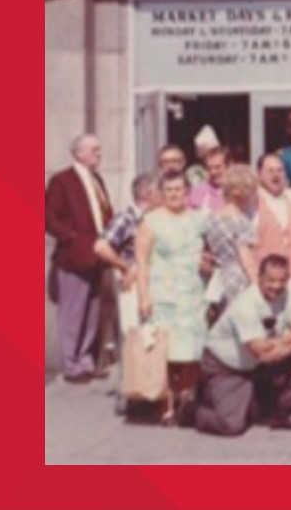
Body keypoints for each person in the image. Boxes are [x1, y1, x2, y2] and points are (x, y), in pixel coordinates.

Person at [194, 255, 291, 435]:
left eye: (281, 280)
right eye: (271, 280)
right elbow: (262, 353)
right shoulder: (245, 304)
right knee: (232, 426)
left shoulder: (290, 293)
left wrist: (279, 342)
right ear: (259, 278)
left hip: (255, 365)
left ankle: (289, 412)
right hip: (226, 367)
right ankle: (194, 409)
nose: (277, 286)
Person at [134, 170, 208, 424]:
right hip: (163, 293)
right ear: (161, 194)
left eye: (179, 189)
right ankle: (166, 406)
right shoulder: (151, 220)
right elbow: (142, 260)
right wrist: (143, 296)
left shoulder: (198, 219)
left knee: (189, 352)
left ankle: (187, 402)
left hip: (192, 293)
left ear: (187, 192)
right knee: (165, 352)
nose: (174, 194)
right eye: (169, 190)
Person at [46, 133, 116, 384]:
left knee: (92, 311)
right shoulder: (62, 181)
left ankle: (85, 360)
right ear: (79, 153)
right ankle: (71, 363)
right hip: (74, 258)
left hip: (98, 256)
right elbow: (49, 218)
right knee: (73, 311)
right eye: (94, 149)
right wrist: (74, 239)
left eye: (99, 148)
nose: (99, 153)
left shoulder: (96, 179)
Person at [96, 172, 160, 382]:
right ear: (149, 194)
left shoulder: (154, 219)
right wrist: (125, 267)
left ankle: (147, 384)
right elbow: (101, 247)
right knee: (131, 333)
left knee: (149, 333)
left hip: (148, 280)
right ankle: (130, 387)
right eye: (160, 190)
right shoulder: (127, 217)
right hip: (130, 286)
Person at [202, 165, 259, 317]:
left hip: (218, 278)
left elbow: (207, 250)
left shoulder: (212, 219)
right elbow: (246, 260)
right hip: (237, 278)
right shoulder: (241, 222)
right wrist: (258, 287)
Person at [252, 154, 291, 283]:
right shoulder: (252, 203)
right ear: (259, 175)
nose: (276, 175)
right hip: (264, 280)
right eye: (270, 171)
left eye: (279, 170)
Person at [187, 145, 229, 212]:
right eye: (209, 168)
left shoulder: (236, 191)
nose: (213, 172)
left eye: (217, 167)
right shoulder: (196, 191)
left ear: (228, 166)